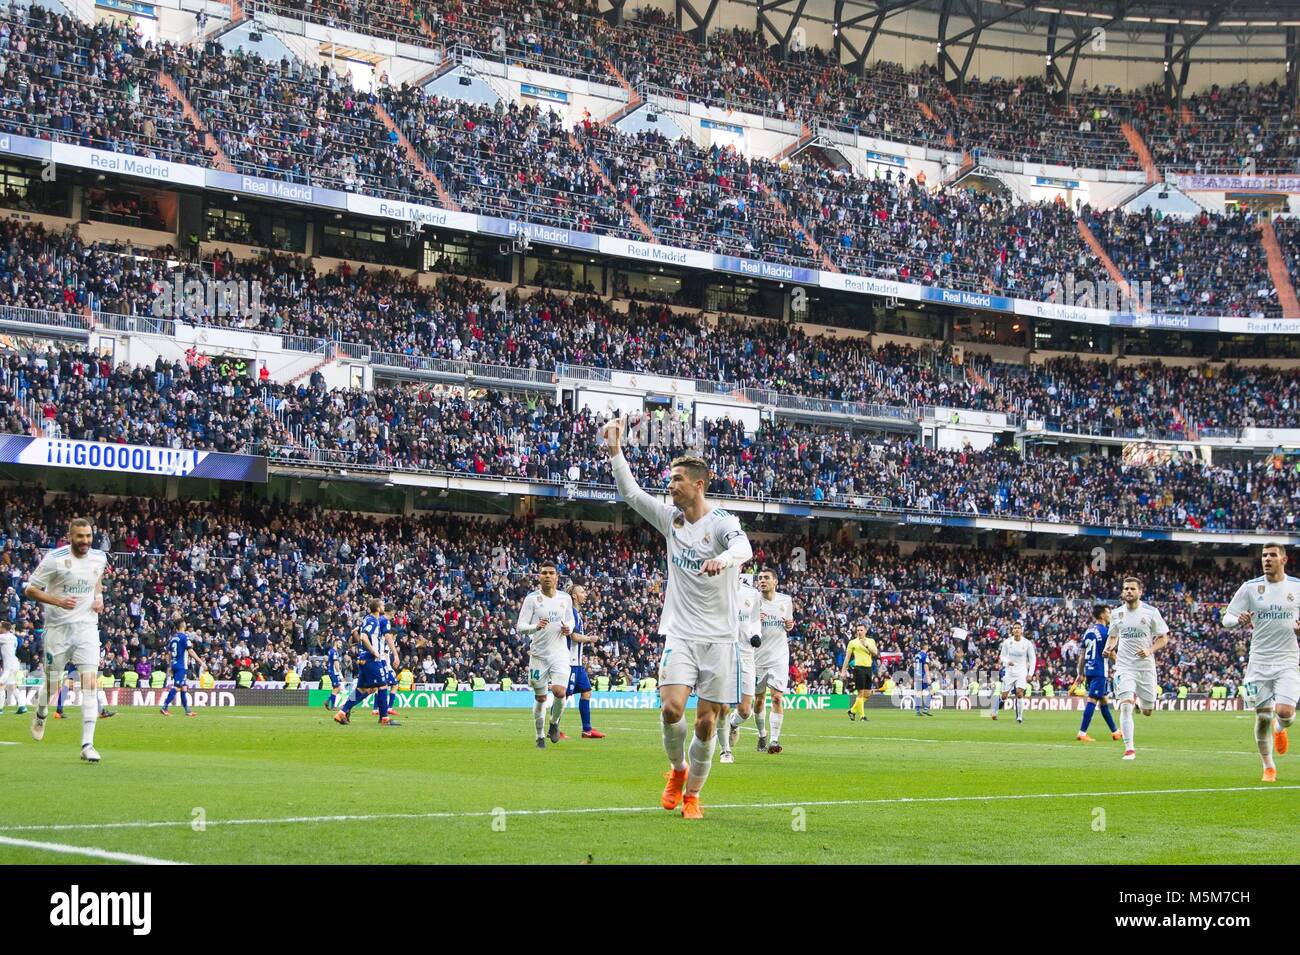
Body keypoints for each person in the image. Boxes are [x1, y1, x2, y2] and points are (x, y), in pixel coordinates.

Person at [604, 416, 752, 820]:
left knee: (706, 723)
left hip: (721, 639)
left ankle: (693, 797)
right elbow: (631, 494)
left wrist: (722, 560)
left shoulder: (722, 523)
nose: (669, 486)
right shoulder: (670, 520)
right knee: (671, 709)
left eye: (676, 480)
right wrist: (616, 450)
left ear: (698, 484)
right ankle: (677, 771)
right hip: (681, 633)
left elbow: (744, 550)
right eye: (669, 480)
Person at [25, 518, 109, 762]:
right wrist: (58, 601)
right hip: (58, 629)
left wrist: (99, 597)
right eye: (80, 536)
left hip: (87, 627)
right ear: (70, 536)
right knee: (53, 683)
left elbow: (96, 579)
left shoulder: (99, 557)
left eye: (88, 536)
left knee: (90, 683)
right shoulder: (55, 558)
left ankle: (87, 745)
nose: (85, 541)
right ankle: (41, 714)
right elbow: (30, 589)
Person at [1222, 543, 1300, 782]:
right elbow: (1227, 618)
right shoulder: (1250, 588)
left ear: (1283, 559)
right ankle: (1268, 766)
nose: (1267, 559)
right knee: (1262, 717)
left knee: (1285, 712)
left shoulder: (1296, 587)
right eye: (1264, 555)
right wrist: (1238, 621)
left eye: (1272, 555)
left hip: (1287, 657)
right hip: (1259, 660)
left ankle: (1280, 728)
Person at [1104, 577, 1170, 761]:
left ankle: (1141, 704)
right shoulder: (1117, 614)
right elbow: (1113, 636)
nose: (1129, 591)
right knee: (1125, 705)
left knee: (1148, 710)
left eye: (1132, 588)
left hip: (1146, 668)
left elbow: (1164, 638)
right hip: (1124, 666)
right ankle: (1129, 749)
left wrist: (1149, 650)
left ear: (1140, 592)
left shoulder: (1151, 612)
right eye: (1126, 589)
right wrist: (1108, 648)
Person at [515, 562, 574, 748]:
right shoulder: (532, 599)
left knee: (559, 692)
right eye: (544, 573)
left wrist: (568, 628)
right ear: (539, 577)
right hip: (539, 656)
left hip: (560, 654)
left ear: (557, 577)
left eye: (551, 573)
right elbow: (520, 627)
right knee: (541, 698)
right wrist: (535, 626)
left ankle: (554, 723)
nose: (547, 576)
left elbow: (571, 619)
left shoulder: (565, 598)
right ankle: (539, 735)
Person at [333, 598, 401, 726]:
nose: (384, 607)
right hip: (371, 659)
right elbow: (364, 637)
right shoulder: (377, 621)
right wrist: (374, 651)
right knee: (382, 686)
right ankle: (384, 718)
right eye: (382, 605)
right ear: (378, 608)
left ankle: (342, 711)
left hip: (363, 658)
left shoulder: (370, 619)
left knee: (363, 689)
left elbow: (361, 634)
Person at [718, 571, 760, 764]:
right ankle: (725, 751)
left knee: (745, 711)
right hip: (722, 650)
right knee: (723, 706)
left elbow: (755, 620)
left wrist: (755, 634)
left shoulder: (751, 594)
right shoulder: (715, 589)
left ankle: (734, 725)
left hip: (745, 653)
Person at [752, 567, 794, 753]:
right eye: (760, 578)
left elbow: (788, 624)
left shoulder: (786, 600)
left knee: (777, 697)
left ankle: (775, 741)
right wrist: (754, 622)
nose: (762, 581)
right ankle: (762, 734)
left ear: (775, 581)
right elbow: (742, 627)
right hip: (757, 657)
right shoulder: (752, 602)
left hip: (779, 656)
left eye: (766, 578)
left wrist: (790, 625)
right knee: (759, 700)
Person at [1075, 605, 1121, 742]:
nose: (1110, 614)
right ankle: (1082, 733)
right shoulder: (1106, 632)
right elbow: (1111, 652)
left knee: (1104, 700)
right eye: (1108, 612)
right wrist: (1121, 665)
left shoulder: (1088, 631)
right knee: (1093, 700)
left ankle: (1115, 731)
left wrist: (1080, 673)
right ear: (1102, 615)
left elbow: (1082, 655)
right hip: (1099, 670)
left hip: (1089, 670)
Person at [564, 583, 604, 739]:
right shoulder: (571, 613)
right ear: (574, 596)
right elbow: (573, 636)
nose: (585, 594)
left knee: (586, 691)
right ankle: (553, 729)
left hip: (577, 663)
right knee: (563, 696)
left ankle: (587, 730)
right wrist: (590, 638)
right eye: (582, 592)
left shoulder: (577, 614)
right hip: (570, 662)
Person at [993, 623, 1036, 724]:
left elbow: (1033, 659)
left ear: (1021, 630)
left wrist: (1030, 673)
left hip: (1022, 672)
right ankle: (995, 711)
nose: (1016, 630)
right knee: (1004, 696)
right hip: (1010, 672)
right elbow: (1002, 656)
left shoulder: (1027, 643)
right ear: (1012, 631)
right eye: (1015, 628)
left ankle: (1019, 717)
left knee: (1019, 693)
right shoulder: (1007, 642)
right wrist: (1007, 662)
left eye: (1018, 628)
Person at [160, 616, 202, 717]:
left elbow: (169, 653)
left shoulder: (173, 637)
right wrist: (200, 661)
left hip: (175, 665)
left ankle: (187, 710)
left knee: (184, 688)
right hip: (181, 666)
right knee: (177, 687)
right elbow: (190, 650)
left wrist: (170, 666)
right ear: (182, 625)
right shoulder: (184, 637)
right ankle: (164, 707)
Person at [841, 624, 877, 722]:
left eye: (861, 630)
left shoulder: (871, 641)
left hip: (869, 668)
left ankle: (852, 710)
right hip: (859, 668)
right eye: (857, 630)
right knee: (860, 693)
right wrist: (843, 671)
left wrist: (866, 645)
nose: (859, 632)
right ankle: (862, 716)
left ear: (865, 631)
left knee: (867, 694)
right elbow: (847, 657)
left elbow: (875, 653)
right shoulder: (852, 642)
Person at [0, 620, 24, 715]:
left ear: (3, 628)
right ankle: (22, 706)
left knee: (1, 685)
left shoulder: (3, 637)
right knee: (12, 686)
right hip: (14, 663)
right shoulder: (13, 637)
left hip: (9, 665)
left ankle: (0, 709)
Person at [913, 644, 933, 717]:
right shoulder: (925, 655)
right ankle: (926, 708)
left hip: (917, 676)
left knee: (918, 693)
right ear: (926, 647)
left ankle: (918, 711)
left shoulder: (917, 655)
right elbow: (925, 665)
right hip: (923, 676)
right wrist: (928, 677)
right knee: (931, 690)